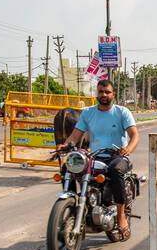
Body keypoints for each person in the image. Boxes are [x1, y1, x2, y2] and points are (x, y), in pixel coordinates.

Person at [59, 78, 140, 240]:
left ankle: (121, 215)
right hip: (94, 156)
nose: (104, 95)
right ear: (97, 93)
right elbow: (75, 136)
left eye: (107, 92)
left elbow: (134, 135)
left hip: (117, 155)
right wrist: (65, 145)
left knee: (115, 170)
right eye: (101, 92)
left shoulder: (122, 112)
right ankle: (73, 207)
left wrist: (128, 149)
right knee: (67, 167)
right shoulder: (88, 113)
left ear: (113, 94)